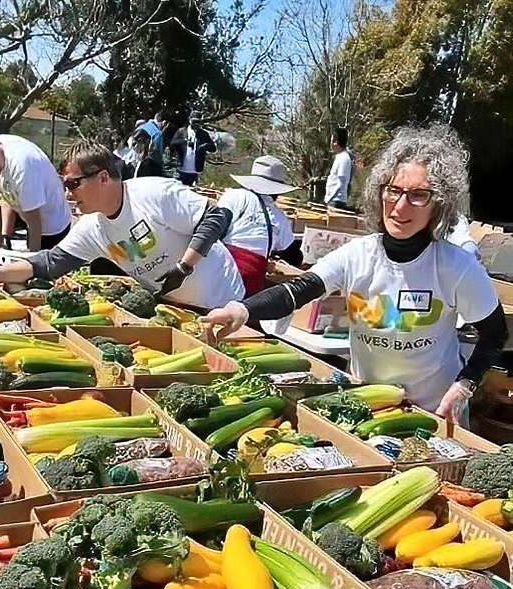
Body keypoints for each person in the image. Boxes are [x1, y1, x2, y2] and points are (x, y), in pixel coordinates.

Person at [201, 124, 507, 426]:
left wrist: (464, 386)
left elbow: (494, 333)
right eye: (394, 190)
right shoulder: (358, 255)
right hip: (365, 411)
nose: (400, 206)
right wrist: (241, 310)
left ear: (439, 204)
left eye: (418, 195)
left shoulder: (457, 266)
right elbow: (300, 290)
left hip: (434, 415)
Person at [0, 142, 244, 310]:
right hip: (176, 308)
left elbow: (217, 216)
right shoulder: (92, 228)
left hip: (223, 302)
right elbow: (48, 263)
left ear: (103, 178)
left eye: (73, 184)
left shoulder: (152, 194)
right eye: (64, 185)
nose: (68, 193)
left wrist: (184, 266)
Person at [0, 133, 71, 252]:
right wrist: (6, 237)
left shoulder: (22, 168)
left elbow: (34, 219)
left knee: (38, 260)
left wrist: (34, 257)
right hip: (31, 218)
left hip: (52, 228)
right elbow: (8, 193)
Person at [218, 155, 303, 296]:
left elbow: (216, 226)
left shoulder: (233, 196)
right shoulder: (278, 215)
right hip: (249, 279)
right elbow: (293, 255)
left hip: (220, 269)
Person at [170, 111, 216, 186]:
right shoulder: (182, 131)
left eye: (198, 122)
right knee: (177, 189)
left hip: (194, 170)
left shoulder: (203, 134)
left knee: (191, 190)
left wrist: (203, 147)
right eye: (194, 121)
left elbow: (213, 148)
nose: (196, 124)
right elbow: (172, 143)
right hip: (181, 169)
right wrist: (184, 142)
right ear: (189, 120)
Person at [325, 128, 354, 208]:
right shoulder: (340, 157)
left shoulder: (344, 158)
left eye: (331, 140)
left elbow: (342, 181)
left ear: (336, 142)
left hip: (336, 201)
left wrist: (330, 198)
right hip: (333, 200)